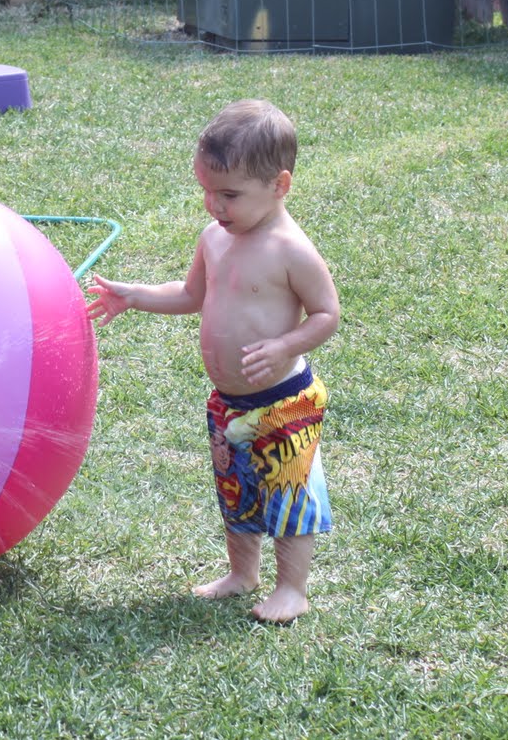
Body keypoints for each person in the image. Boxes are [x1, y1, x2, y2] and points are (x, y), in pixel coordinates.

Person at [88, 99, 340, 624]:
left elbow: (326, 314)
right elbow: (191, 295)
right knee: (236, 491)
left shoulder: (290, 249)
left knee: (289, 495)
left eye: (229, 194)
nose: (214, 205)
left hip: (283, 401)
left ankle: (292, 588)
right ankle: (242, 574)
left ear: (280, 185)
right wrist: (134, 295)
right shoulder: (214, 238)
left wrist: (284, 345)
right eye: (206, 190)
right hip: (229, 403)